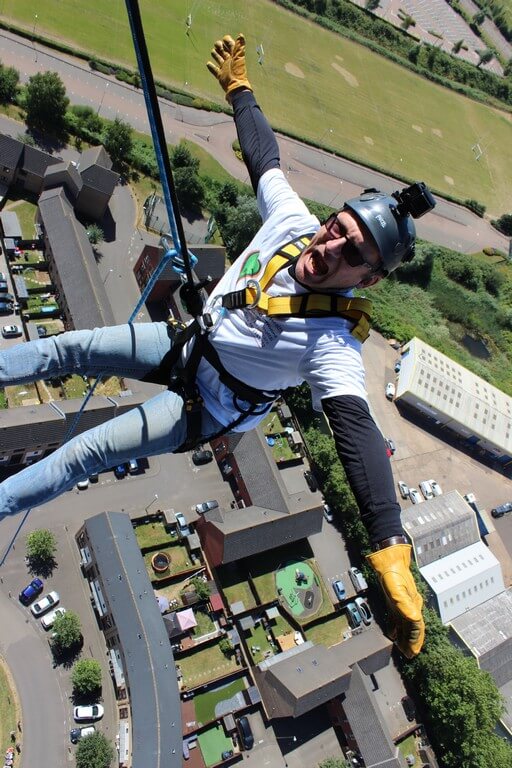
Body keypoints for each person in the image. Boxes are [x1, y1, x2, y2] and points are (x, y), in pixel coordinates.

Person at [0, 34, 434, 658]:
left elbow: (358, 432)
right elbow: (265, 158)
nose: (329, 248)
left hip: (205, 405)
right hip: (187, 343)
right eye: (337, 228)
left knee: (82, 455)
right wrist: (241, 94)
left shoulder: (333, 341)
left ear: (367, 279)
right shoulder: (292, 223)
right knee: (64, 350)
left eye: (351, 253)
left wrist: (389, 542)